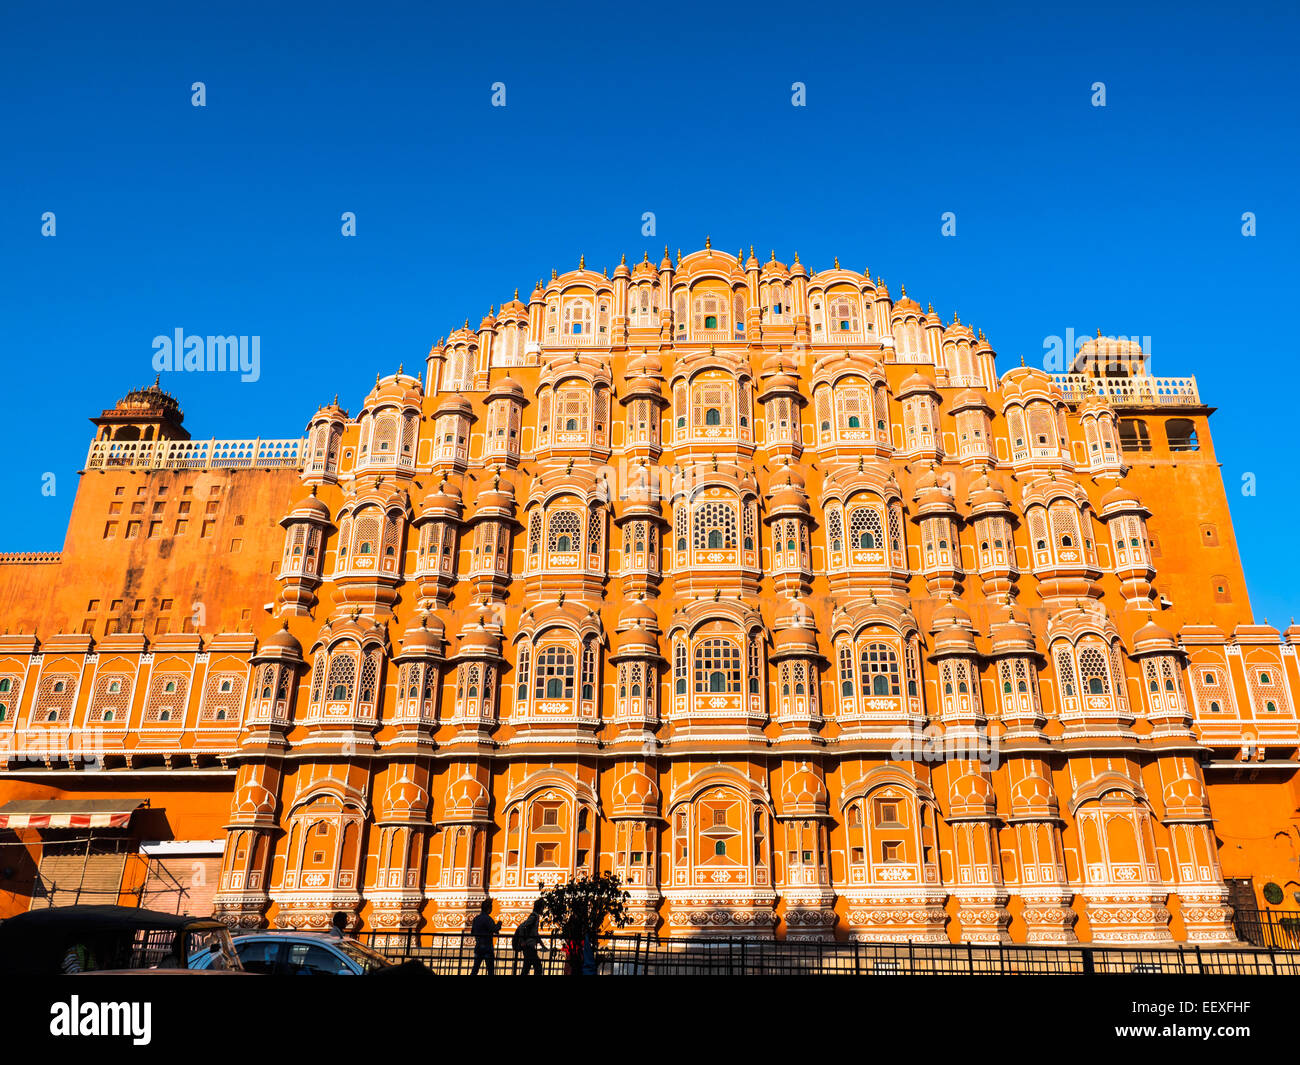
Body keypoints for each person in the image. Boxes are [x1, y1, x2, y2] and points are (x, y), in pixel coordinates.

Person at [469, 899, 502, 975]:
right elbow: (495, 929)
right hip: (487, 947)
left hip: (478, 946)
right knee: (490, 970)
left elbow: (472, 932)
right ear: (488, 909)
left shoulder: (476, 919)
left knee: (475, 968)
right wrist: (499, 924)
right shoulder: (488, 919)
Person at [513, 900, 545, 976]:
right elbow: (522, 927)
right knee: (537, 966)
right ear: (540, 908)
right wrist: (522, 941)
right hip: (528, 945)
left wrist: (542, 944)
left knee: (526, 967)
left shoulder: (535, 916)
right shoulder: (534, 917)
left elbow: (535, 933)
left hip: (529, 946)